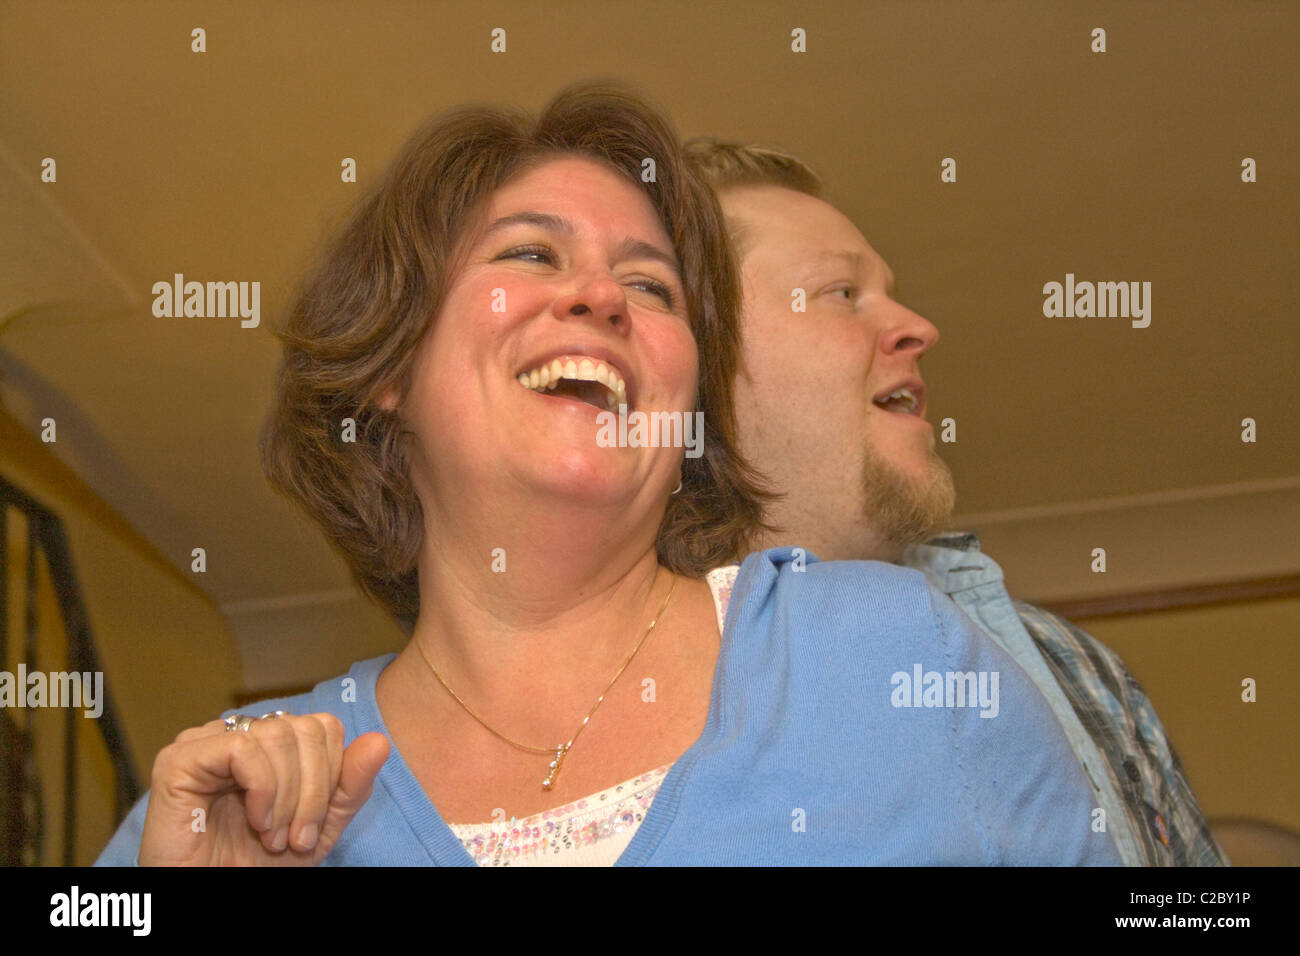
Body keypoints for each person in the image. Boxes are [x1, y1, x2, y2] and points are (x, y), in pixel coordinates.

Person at [95, 85, 1120, 866]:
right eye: (531, 255)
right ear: (392, 368)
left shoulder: (896, 648)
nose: (599, 295)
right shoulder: (228, 788)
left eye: (648, 282)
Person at [683, 138, 1227, 866]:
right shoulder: (579, 681)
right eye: (842, 293)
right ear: (690, 358)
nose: (921, 326)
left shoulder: (1074, 670)